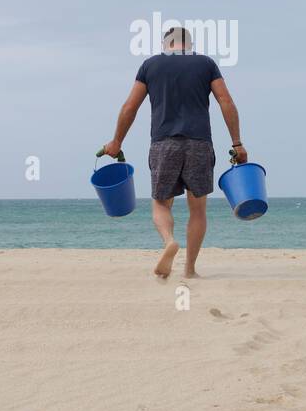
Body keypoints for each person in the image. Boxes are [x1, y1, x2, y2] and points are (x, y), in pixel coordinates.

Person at [102, 26, 247, 279]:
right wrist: (237, 144)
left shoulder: (151, 65)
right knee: (198, 209)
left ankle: (169, 240)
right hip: (199, 143)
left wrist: (116, 141)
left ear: (164, 44)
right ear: (188, 44)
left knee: (160, 203)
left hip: (163, 144)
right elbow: (226, 101)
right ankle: (190, 270)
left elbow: (130, 107)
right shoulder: (205, 64)